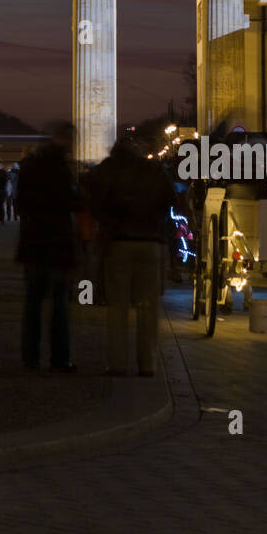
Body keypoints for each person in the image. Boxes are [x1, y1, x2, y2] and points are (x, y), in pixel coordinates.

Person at [91, 134, 176, 377]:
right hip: (151, 242)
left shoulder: (108, 169)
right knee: (148, 306)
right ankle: (147, 364)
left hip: (118, 242)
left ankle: (117, 364)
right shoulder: (154, 169)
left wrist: (109, 223)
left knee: (117, 307)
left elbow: (94, 203)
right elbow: (171, 199)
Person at [15, 124, 81, 372]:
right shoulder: (63, 168)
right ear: (66, 140)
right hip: (58, 244)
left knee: (32, 303)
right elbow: (70, 202)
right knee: (60, 305)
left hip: (32, 242)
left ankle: (30, 359)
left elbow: (20, 202)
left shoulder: (29, 166)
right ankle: (60, 359)